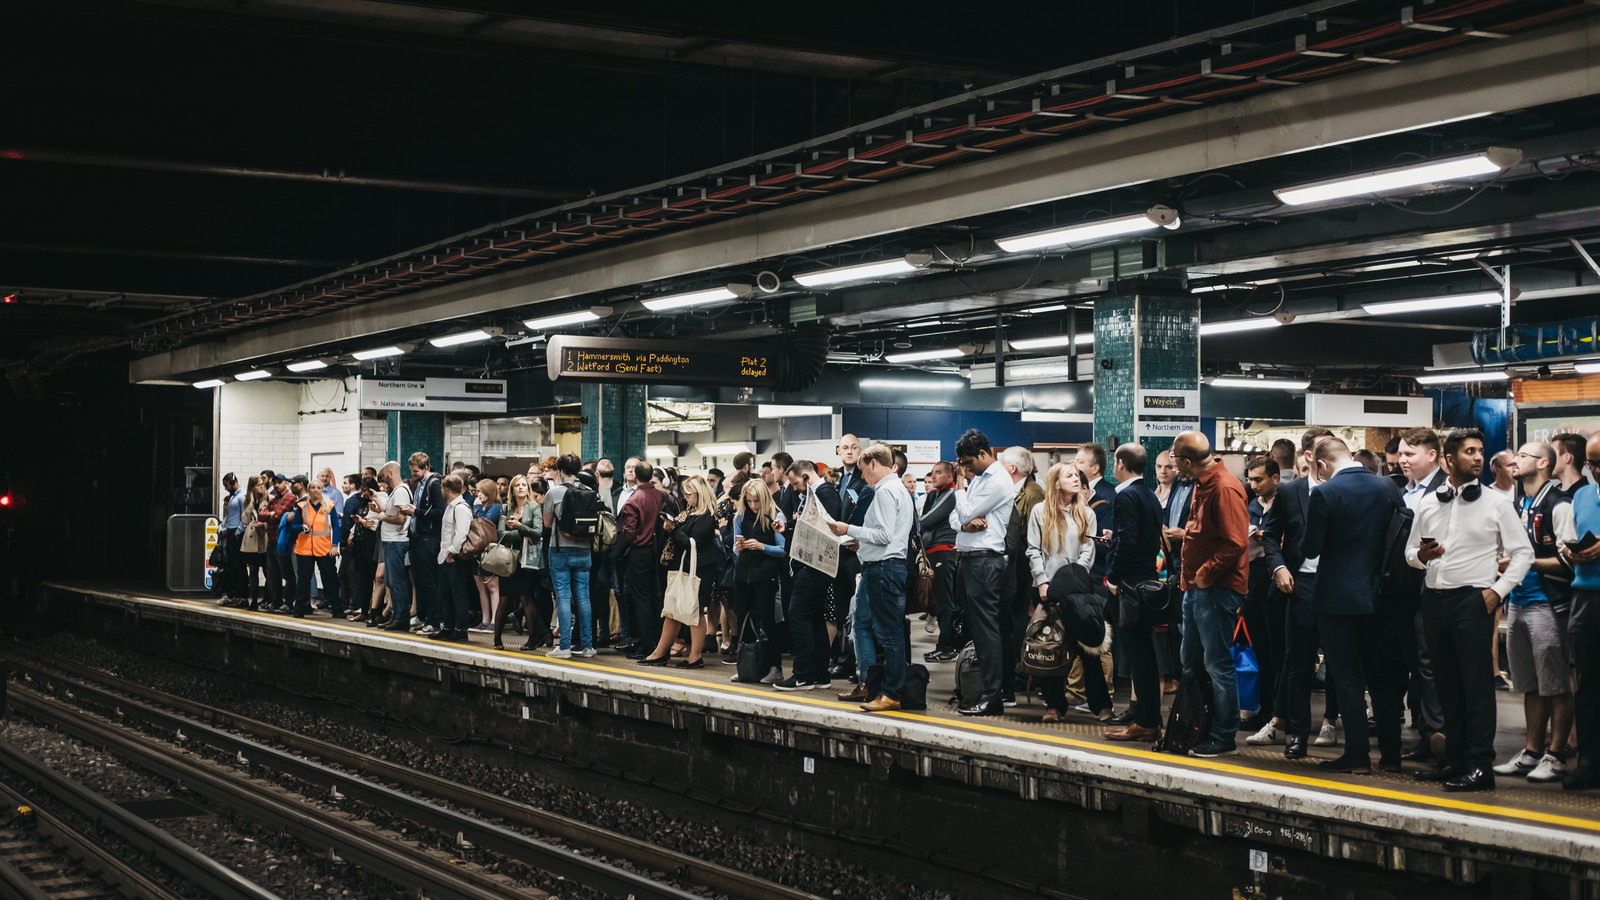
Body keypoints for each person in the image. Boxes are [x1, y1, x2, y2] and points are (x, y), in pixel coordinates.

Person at [1406, 429, 1534, 791]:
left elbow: (1522, 553)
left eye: (1480, 451)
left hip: (1474, 601)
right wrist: (1422, 556)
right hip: (1433, 600)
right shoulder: (1429, 502)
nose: (1478, 457)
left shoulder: (1495, 503)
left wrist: (1497, 592)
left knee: (1476, 687)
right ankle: (1456, 759)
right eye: (1469, 452)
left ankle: (1481, 766)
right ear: (1449, 459)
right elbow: (1409, 553)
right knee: (1446, 686)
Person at [1302, 436, 1406, 774]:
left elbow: (1311, 548)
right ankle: (1391, 755)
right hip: (1379, 595)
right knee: (1381, 676)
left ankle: (1358, 755)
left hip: (1337, 598)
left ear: (1320, 464)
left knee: (1346, 676)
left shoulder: (1324, 493)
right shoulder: (1386, 488)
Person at [1494, 442, 1577, 784]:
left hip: (1547, 604)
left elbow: (1570, 560)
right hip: (1518, 603)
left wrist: (1521, 562)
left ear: (1543, 463)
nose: (1515, 459)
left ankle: (1556, 755)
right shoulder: (1518, 503)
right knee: (1529, 684)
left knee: (1556, 684)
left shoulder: (1559, 505)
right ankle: (1531, 751)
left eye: (1523, 455)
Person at [1171, 431, 1249, 758]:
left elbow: (1235, 543)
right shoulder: (1201, 483)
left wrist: (1203, 575)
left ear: (1187, 462)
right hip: (1197, 589)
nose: (1173, 463)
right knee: (1191, 661)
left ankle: (1224, 735)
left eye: (1175, 458)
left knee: (1218, 664)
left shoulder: (1224, 488)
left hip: (1216, 590)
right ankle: (1196, 724)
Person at [822, 443, 913, 711]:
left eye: (863, 471)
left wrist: (848, 528)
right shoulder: (898, 490)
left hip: (884, 568)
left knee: (889, 635)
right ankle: (879, 687)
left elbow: (884, 535)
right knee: (877, 629)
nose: (862, 477)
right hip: (885, 565)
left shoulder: (885, 492)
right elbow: (890, 535)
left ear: (874, 463)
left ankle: (891, 692)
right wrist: (861, 542)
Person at [951, 429, 1023, 716]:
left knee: (987, 631)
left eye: (968, 463)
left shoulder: (1000, 482)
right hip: (971, 560)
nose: (966, 470)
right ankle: (988, 693)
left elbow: (965, 511)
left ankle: (993, 698)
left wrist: (959, 487)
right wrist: (963, 525)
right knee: (979, 632)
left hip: (984, 561)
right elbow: (956, 517)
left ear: (984, 454)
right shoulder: (980, 478)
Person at [1027, 462, 1104, 721]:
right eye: (1069, 475)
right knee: (1051, 646)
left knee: (1087, 648)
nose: (1076, 479)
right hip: (1046, 589)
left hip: (1077, 590)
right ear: (1056, 482)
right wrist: (1043, 582)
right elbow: (1033, 550)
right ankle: (1054, 706)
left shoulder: (1086, 514)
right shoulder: (1039, 511)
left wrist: (1070, 583)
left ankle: (1101, 705)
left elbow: (1087, 553)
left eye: (1077, 475)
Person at [1104, 443, 1166, 742]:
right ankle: (1149, 719)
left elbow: (1127, 541)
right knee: (1146, 655)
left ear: (1119, 463)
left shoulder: (1126, 495)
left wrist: (1113, 577)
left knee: (1138, 656)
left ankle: (1146, 722)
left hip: (1129, 584)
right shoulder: (1149, 494)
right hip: (1146, 579)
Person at [1396, 426, 1449, 763]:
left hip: (1434, 588)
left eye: (1409, 454)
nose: (1402, 460)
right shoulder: (1402, 491)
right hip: (1404, 589)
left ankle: (1438, 735)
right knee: (1417, 664)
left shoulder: (1445, 491)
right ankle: (1426, 731)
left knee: (1432, 665)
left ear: (1431, 455)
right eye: (1401, 454)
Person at [775, 460, 843, 691]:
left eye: (795, 483)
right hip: (812, 564)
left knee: (798, 614)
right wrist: (789, 527)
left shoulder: (825, 493)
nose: (794, 489)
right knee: (814, 619)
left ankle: (803, 674)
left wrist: (794, 526)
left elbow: (824, 527)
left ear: (805, 476)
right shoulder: (818, 494)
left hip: (816, 565)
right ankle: (819, 674)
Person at [640, 474, 721, 669]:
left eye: (688, 493)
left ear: (699, 493)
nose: (685, 497)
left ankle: (695, 656)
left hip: (698, 569)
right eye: (683, 493)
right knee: (673, 611)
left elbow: (692, 542)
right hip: (685, 567)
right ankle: (659, 653)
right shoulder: (690, 512)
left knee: (695, 612)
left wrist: (673, 529)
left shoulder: (707, 515)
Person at [1560, 434, 1600, 791]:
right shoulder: (1584, 495)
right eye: (1594, 464)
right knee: (1586, 684)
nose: (1598, 471)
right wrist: (1572, 553)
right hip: (1585, 598)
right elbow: (1569, 537)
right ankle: (1589, 763)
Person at [731, 478, 788, 684]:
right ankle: (747, 665)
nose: (753, 505)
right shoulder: (740, 516)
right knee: (743, 619)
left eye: (757, 501)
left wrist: (762, 547)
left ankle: (775, 667)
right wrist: (741, 546)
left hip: (766, 575)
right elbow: (734, 548)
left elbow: (782, 551)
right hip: (742, 575)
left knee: (768, 621)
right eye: (749, 501)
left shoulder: (775, 516)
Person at [544, 453, 596, 659]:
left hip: (560, 550)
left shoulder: (554, 492)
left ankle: (564, 646)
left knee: (564, 597)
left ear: (560, 470)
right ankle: (587, 646)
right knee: (583, 596)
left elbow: (547, 524)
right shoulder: (589, 491)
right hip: (584, 549)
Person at [1243, 457, 1282, 727]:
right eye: (1250, 479)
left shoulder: (1287, 504)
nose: (1253, 485)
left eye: (1258, 479)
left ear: (1275, 478)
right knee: (1261, 652)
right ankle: (1265, 709)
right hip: (1253, 584)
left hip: (1278, 585)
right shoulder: (1251, 506)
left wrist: (1270, 537)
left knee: (1278, 652)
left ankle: (1279, 712)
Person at [616, 462, 667, 660]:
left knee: (641, 600)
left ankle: (645, 646)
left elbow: (628, 533)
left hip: (639, 553)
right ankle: (658, 642)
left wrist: (618, 551)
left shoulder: (633, 500)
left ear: (636, 476)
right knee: (656, 598)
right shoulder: (661, 495)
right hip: (657, 552)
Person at [497, 475, 548, 651]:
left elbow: (538, 533)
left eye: (523, 485)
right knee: (504, 598)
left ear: (528, 489)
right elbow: (501, 535)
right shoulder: (505, 508)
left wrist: (519, 527)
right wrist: (524, 533)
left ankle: (533, 639)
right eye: (517, 485)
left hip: (528, 561)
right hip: (508, 560)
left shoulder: (534, 508)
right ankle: (497, 639)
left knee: (526, 597)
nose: (520, 488)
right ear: (512, 489)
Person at [921, 461, 964, 663]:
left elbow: (925, 521)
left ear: (950, 476)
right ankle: (944, 645)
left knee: (946, 603)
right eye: (933, 472)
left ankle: (947, 646)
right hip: (933, 552)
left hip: (945, 552)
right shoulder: (933, 495)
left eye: (939, 472)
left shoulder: (952, 494)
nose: (934, 476)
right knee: (940, 603)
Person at [286, 477, 343, 619]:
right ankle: (300, 608)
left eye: (318, 488)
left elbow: (336, 527)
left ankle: (336, 608)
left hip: (324, 548)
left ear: (322, 490)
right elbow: (293, 527)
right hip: (305, 548)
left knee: (329, 579)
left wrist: (335, 545)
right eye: (313, 488)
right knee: (303, 580)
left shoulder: (329, 506)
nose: (316, 490)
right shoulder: (302, 506)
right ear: (309, 490)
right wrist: (301, 527)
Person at [403, 452, 445, 636]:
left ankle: (435, 621)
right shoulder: (421, 483)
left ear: (426, 467)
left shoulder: (434, 484)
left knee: (428, 582)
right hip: (418, 537)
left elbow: (440, 511)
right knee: (420, 582)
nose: (412, 475)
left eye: (415, 471)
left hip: (429, 538)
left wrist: (416, 512)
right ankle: (426, 617)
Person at [431, 473, 474, 642]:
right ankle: (448, 627)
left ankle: (461, 628)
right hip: (445, 557)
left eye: (442, 487)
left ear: (447, 489)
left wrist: (452, 552)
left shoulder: (461, 507)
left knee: (458, 594)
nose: (440, 490)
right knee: (445, 594)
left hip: (454, 558)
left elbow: (462, 533)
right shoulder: (450, 506)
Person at [375, 462, 414, 632]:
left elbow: (401, 519)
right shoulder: (397, 492)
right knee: (392, 581)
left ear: (390, 473)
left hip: (396, 541)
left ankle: (401, 618)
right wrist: (378, 504)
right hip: (391, 540)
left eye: (383, 474)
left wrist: (383, 518)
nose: (382, 478)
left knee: (397, 581)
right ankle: (396, 616)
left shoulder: (400, 492)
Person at [468, 479, 504, 634]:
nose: (479, 494)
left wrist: (476, 507)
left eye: (482, 491)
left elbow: (484, 522)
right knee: (481, 586)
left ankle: (495, 621)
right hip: (477, 550)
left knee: (492, 586)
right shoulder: (479, 505)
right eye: (477, 491)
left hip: (490, 550)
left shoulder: (496, 507)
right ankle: (485, 620)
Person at [1076, 443, 1116, 581]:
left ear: (1095, 468)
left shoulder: (1109, 495)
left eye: (1080, 462)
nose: (1074, 466)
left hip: (1098, 572)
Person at [261, 474, 298, 611]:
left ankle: (288, 602)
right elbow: (261, 514)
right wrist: (269, 515)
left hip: (282, 540)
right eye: (275, 482)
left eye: (279, 482)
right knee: (272, 573)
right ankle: (276, 601)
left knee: (287, 573)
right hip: (271, 539)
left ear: (286, 483)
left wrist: (270, 515)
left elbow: (277, 515)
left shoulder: (289, 497)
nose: (276, 485)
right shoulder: (274, 498)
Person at [237, 475, 270, 610]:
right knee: (253, 572)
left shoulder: (269, 499)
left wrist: (264, 524)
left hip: (264, 538)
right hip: (251, 539)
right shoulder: (247, 500)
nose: (261, 487)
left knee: (269, 572)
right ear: (252, 487)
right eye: (258, 485)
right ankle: (254, 601)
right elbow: (244, 520)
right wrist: (250, 503)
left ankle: (270, 600)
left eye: (263, 484)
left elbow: (273, 518)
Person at [218, 472, 247, 605]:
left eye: (226, 485)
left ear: (232, 482)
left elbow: (245, 515)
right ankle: (236, 594)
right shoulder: (233, 497)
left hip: (236, 533)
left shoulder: (242, 496)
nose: (225, 488)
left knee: (239, 565)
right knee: (233, 565)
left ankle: (243, 596)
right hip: (230, 531)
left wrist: (239, 531)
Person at [1552, 433, 1590, 497]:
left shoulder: (1586, 496)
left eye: (1552, 455)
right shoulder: (1553, 494)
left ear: (1567, 458)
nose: (1547, 460)